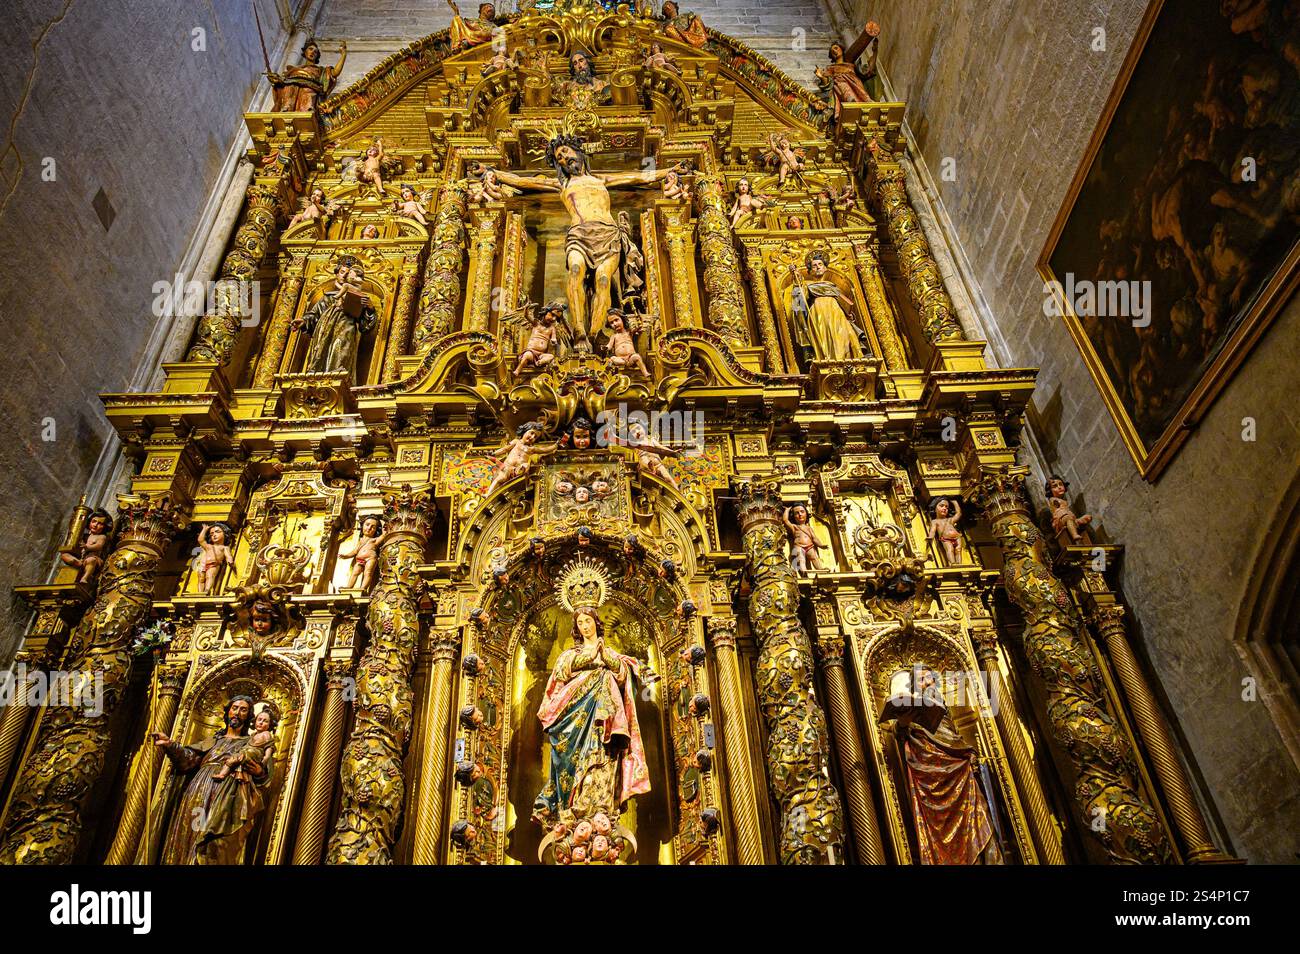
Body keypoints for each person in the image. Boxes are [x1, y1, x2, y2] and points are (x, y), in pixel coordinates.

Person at [489, 138, 684, 345]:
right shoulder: (561, 184)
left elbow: (639, 177)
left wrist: (670, 170)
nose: (564, 159)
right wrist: (494, 173)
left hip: (608, 235)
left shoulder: (602, 180)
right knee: (574, 269)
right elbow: (523, 181)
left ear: (578, 151)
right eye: (559, 158)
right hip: (579, 235)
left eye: (565, 152)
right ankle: (579, 329)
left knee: (603, 280)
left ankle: (594, 333)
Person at [532, 607, 654, 828]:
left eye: (588, 621)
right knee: (573, 760)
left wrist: (604, 656)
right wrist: (590, 655)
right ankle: (572, 809)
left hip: (606, 725)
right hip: (575, 720)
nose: (585, 626)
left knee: (603, 761)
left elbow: (623, 675)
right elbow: (561, 673)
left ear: (596, 623)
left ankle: (602, 813)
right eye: (580, 622)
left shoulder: (611, 655)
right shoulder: (571, 655)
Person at [153, 696, 273, 864]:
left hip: (228, 799)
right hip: (199, 791)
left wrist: (259, 771)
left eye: (243, 710)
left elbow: (264, 776)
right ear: (228, 711)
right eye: (234, 708)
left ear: (249, 716)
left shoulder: (252, 742)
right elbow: (187, 761)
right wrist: (169, 744)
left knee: (215, 842)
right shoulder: (214, 740)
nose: (237, 713)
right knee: (191, 834)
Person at [291, 257, 378, 379]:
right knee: (321, 352)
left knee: (341, 348)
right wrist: (304, 321)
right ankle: (317, 375)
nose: (344, 276)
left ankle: (339, 377)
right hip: (324, 330)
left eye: (348, 273)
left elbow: (366, 326)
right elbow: (315, 315)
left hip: (346, 329)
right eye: (342, 272)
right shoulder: (328, 297)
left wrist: (369, 308)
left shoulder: (359, 297)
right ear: (336, 273)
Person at [789, 251, 865, 361]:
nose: (818, 267)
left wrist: (848, 314)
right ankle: (828, 360)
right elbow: (800, 299)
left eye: (820, 264)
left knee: (845, 336)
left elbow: (844, 302)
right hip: (819, 311)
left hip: (836, 312)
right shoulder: (807, 286)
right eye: (814, 266)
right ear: (810, 271)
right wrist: (797, 280)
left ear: (825, 268)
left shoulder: (832, 285)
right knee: (825, 337)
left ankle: (846, 359)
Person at [269, 39, 347, 113]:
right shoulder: (294, 70)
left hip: (310, 88)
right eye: (310, 49)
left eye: (315, 52)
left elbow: (335, 72)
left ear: (317, 56)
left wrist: (343, 54)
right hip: (292, 88)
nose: (313, 52)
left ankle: (308, 110)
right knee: (289, 86)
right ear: (305, 52)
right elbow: (283, 82)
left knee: (307, 91)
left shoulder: (321, 70)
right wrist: (277, 81)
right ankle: (286, 109)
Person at [61, 509, 112, 584]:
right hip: (81, 559)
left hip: (93, 558)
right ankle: (78, 563)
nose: (95, 525)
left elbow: (99, 546)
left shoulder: (101, 537)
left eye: (100, 523)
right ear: (89, 522)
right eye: (94, 521)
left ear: (105, 527)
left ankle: (85, 577)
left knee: (91, 560)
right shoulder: (84, 536)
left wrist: (87, 547)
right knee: (64, 555)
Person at [196, 523, 234, 595]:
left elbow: (228, 556)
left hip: (214, 564)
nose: (214, 535)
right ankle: (199, 593)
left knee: (210, 576)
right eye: (211, 534)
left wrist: (230, 561)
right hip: (203, 564)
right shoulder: (208, 546)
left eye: (217, 532)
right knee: (201, 578)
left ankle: (206, 591)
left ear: (225, 534)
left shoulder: (224, 547)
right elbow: (200, 540)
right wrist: (204, 529)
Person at [929, 497, 963, 564]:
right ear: (935, 509)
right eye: (941, 506)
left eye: (947, 507)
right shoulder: (935, 521)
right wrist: (930, 537)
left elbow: (958, 513)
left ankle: (959, 564)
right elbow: (932, 530)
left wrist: (955, 502)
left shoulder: (950, 520)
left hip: (957, 537)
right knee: (950, 549)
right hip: (946, 539)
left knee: (958, 550)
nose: (944, 508)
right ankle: (953, 563)